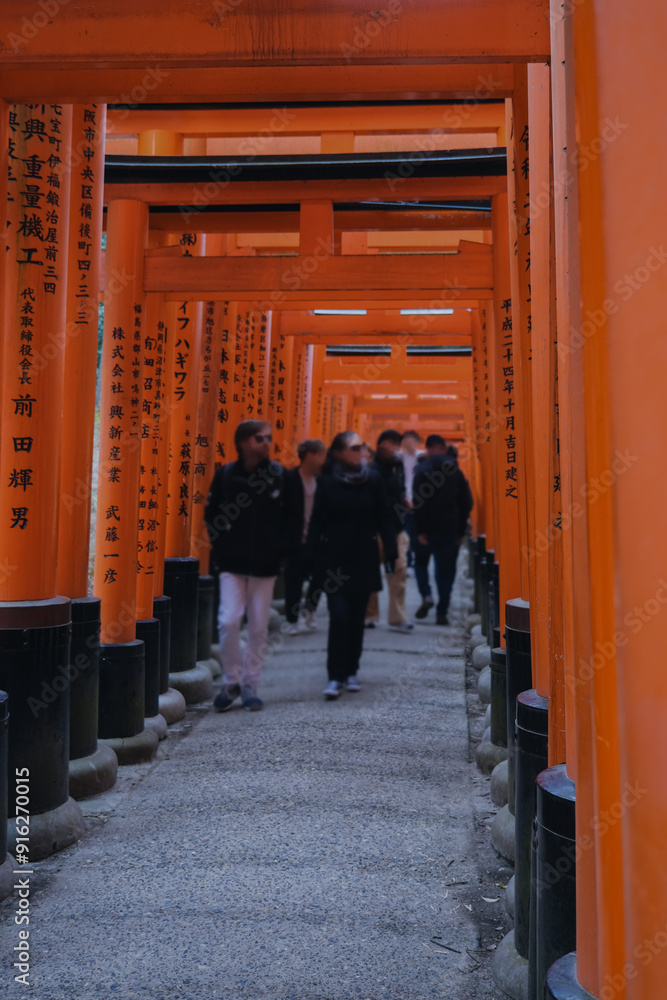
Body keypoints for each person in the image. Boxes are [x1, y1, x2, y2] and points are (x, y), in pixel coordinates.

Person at [306, 430, 397, 700]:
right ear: (339, 453)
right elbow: (316, 522)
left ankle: (352, 670)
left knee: (357, 618)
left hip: (364, 558)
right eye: (355, 448)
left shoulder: (373, 480)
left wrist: (391, 551)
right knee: (339, 615)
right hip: (334, 559)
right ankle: (335, 674)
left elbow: (384, 517)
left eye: (362, 448)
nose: (361, 453)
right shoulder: (328, 483)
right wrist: (310, 556)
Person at [204, 419, 286, 712]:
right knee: (228, 620)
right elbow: (211, 514)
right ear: (242, 443)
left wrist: (280, 551)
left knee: (259, 627)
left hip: (265, 565)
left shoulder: (278, 476)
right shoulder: (226, 474)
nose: (266, 443)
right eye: (259, 438)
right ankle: (232, 681)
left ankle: (251, 683)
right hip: (231, 563)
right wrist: (221, 543)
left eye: (268, 438)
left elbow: (290, 516)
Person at [412, 434, 473, 626]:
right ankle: (442, 611)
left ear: (429, 449)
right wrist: (461, 530)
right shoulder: (456, 472)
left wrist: (420, 529)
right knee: (445, 571)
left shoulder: (421, 470)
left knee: (420, 563)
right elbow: (466, 503)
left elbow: (418, 501)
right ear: (443, 449)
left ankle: (427, 594)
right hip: (450, 528)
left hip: (426, 529)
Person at [364, 429, 414, 633]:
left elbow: (400, 491)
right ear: (381, 444)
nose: (395, 448)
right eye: (391, 443)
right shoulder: (371, 468)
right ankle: (369, 615)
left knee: (400, 571)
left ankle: (398, 616)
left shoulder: (398, 467)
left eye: (397, 444)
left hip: (396, 527)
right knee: (369, 572)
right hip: (374, 529)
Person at [283, 439, 327, 634]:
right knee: (294, 580)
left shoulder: (323, 480)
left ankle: (310, 609)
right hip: (294, 539)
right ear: (310, 455)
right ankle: (292, 620)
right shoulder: (290, 478)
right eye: (321, 454)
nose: (323, 460)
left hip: (317, 540)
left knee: (319, 578)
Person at [399, 430, 423, 570]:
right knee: (406, 532)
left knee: (418, 533)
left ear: (417, 442)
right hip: (403, 501)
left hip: (421, 499)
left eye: (411, 439)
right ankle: (408, 562)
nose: (408, 442)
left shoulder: (422, 457)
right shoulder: (399, 457)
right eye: (405, 439)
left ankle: (416, 562)